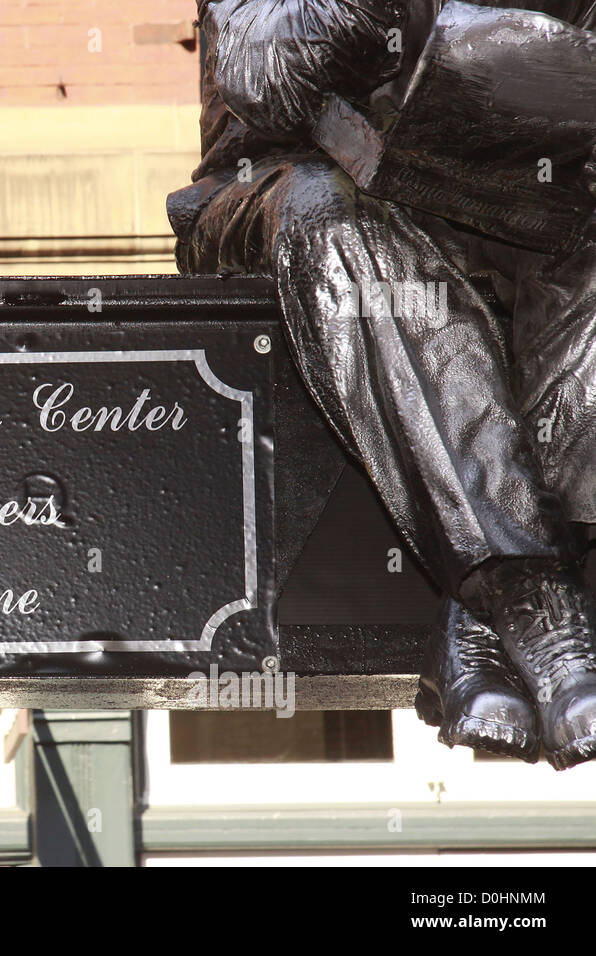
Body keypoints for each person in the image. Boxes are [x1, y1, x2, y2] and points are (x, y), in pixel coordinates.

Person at [168, 0, 596, 768]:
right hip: (285, 183)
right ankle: (539, 611)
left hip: (500, 194)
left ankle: (480, 625)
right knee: (338, 216)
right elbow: (262, 70)